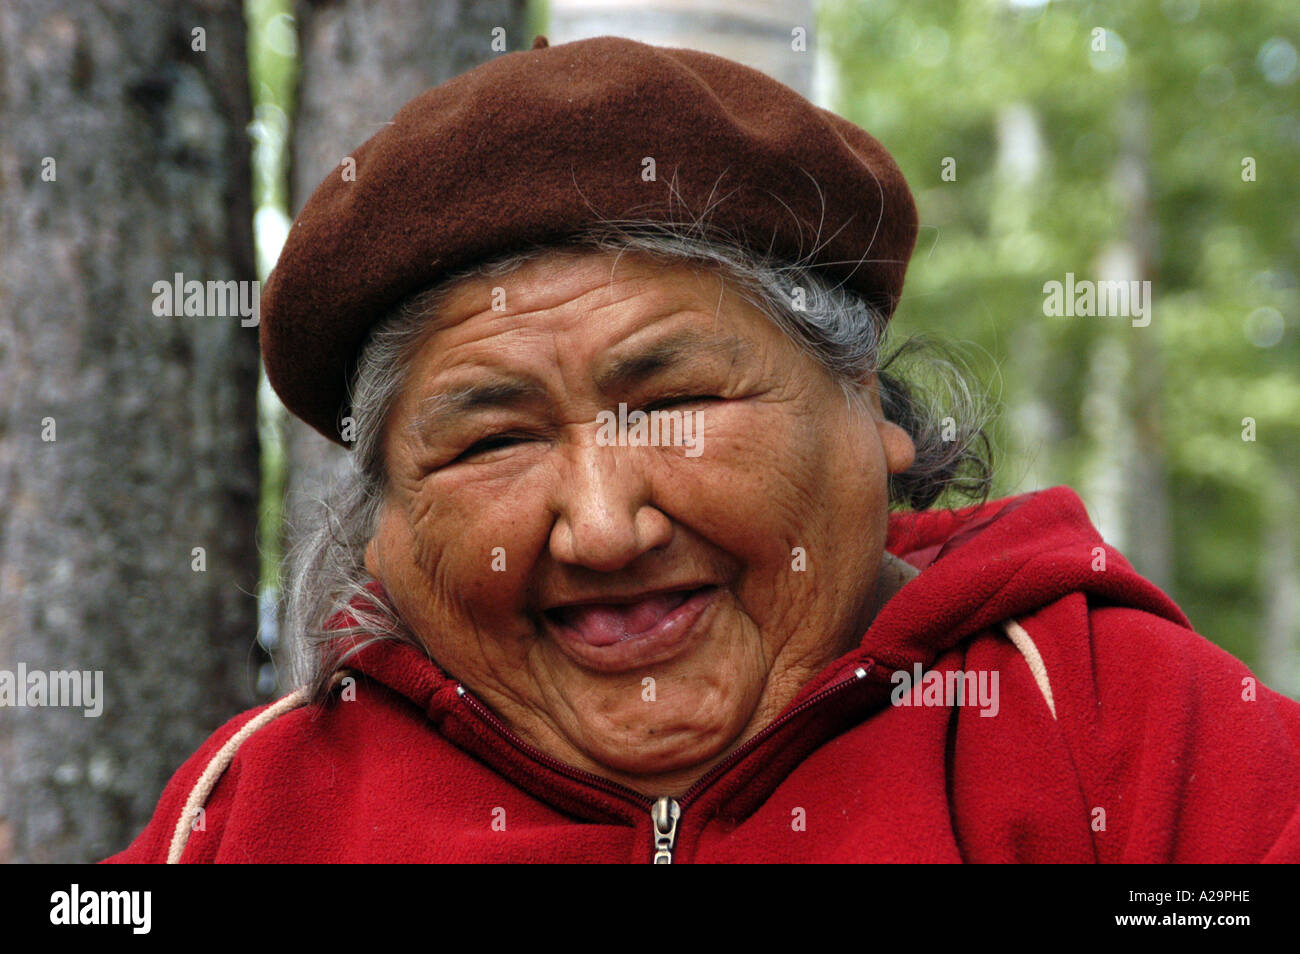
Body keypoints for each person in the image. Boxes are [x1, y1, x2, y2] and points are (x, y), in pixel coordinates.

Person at [105, 34, 1300, 864]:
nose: (603, 524)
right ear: (389, 527)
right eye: (492, 441)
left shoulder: (1121, 733)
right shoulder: (257, 814)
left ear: (869, 410)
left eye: (669, 403)